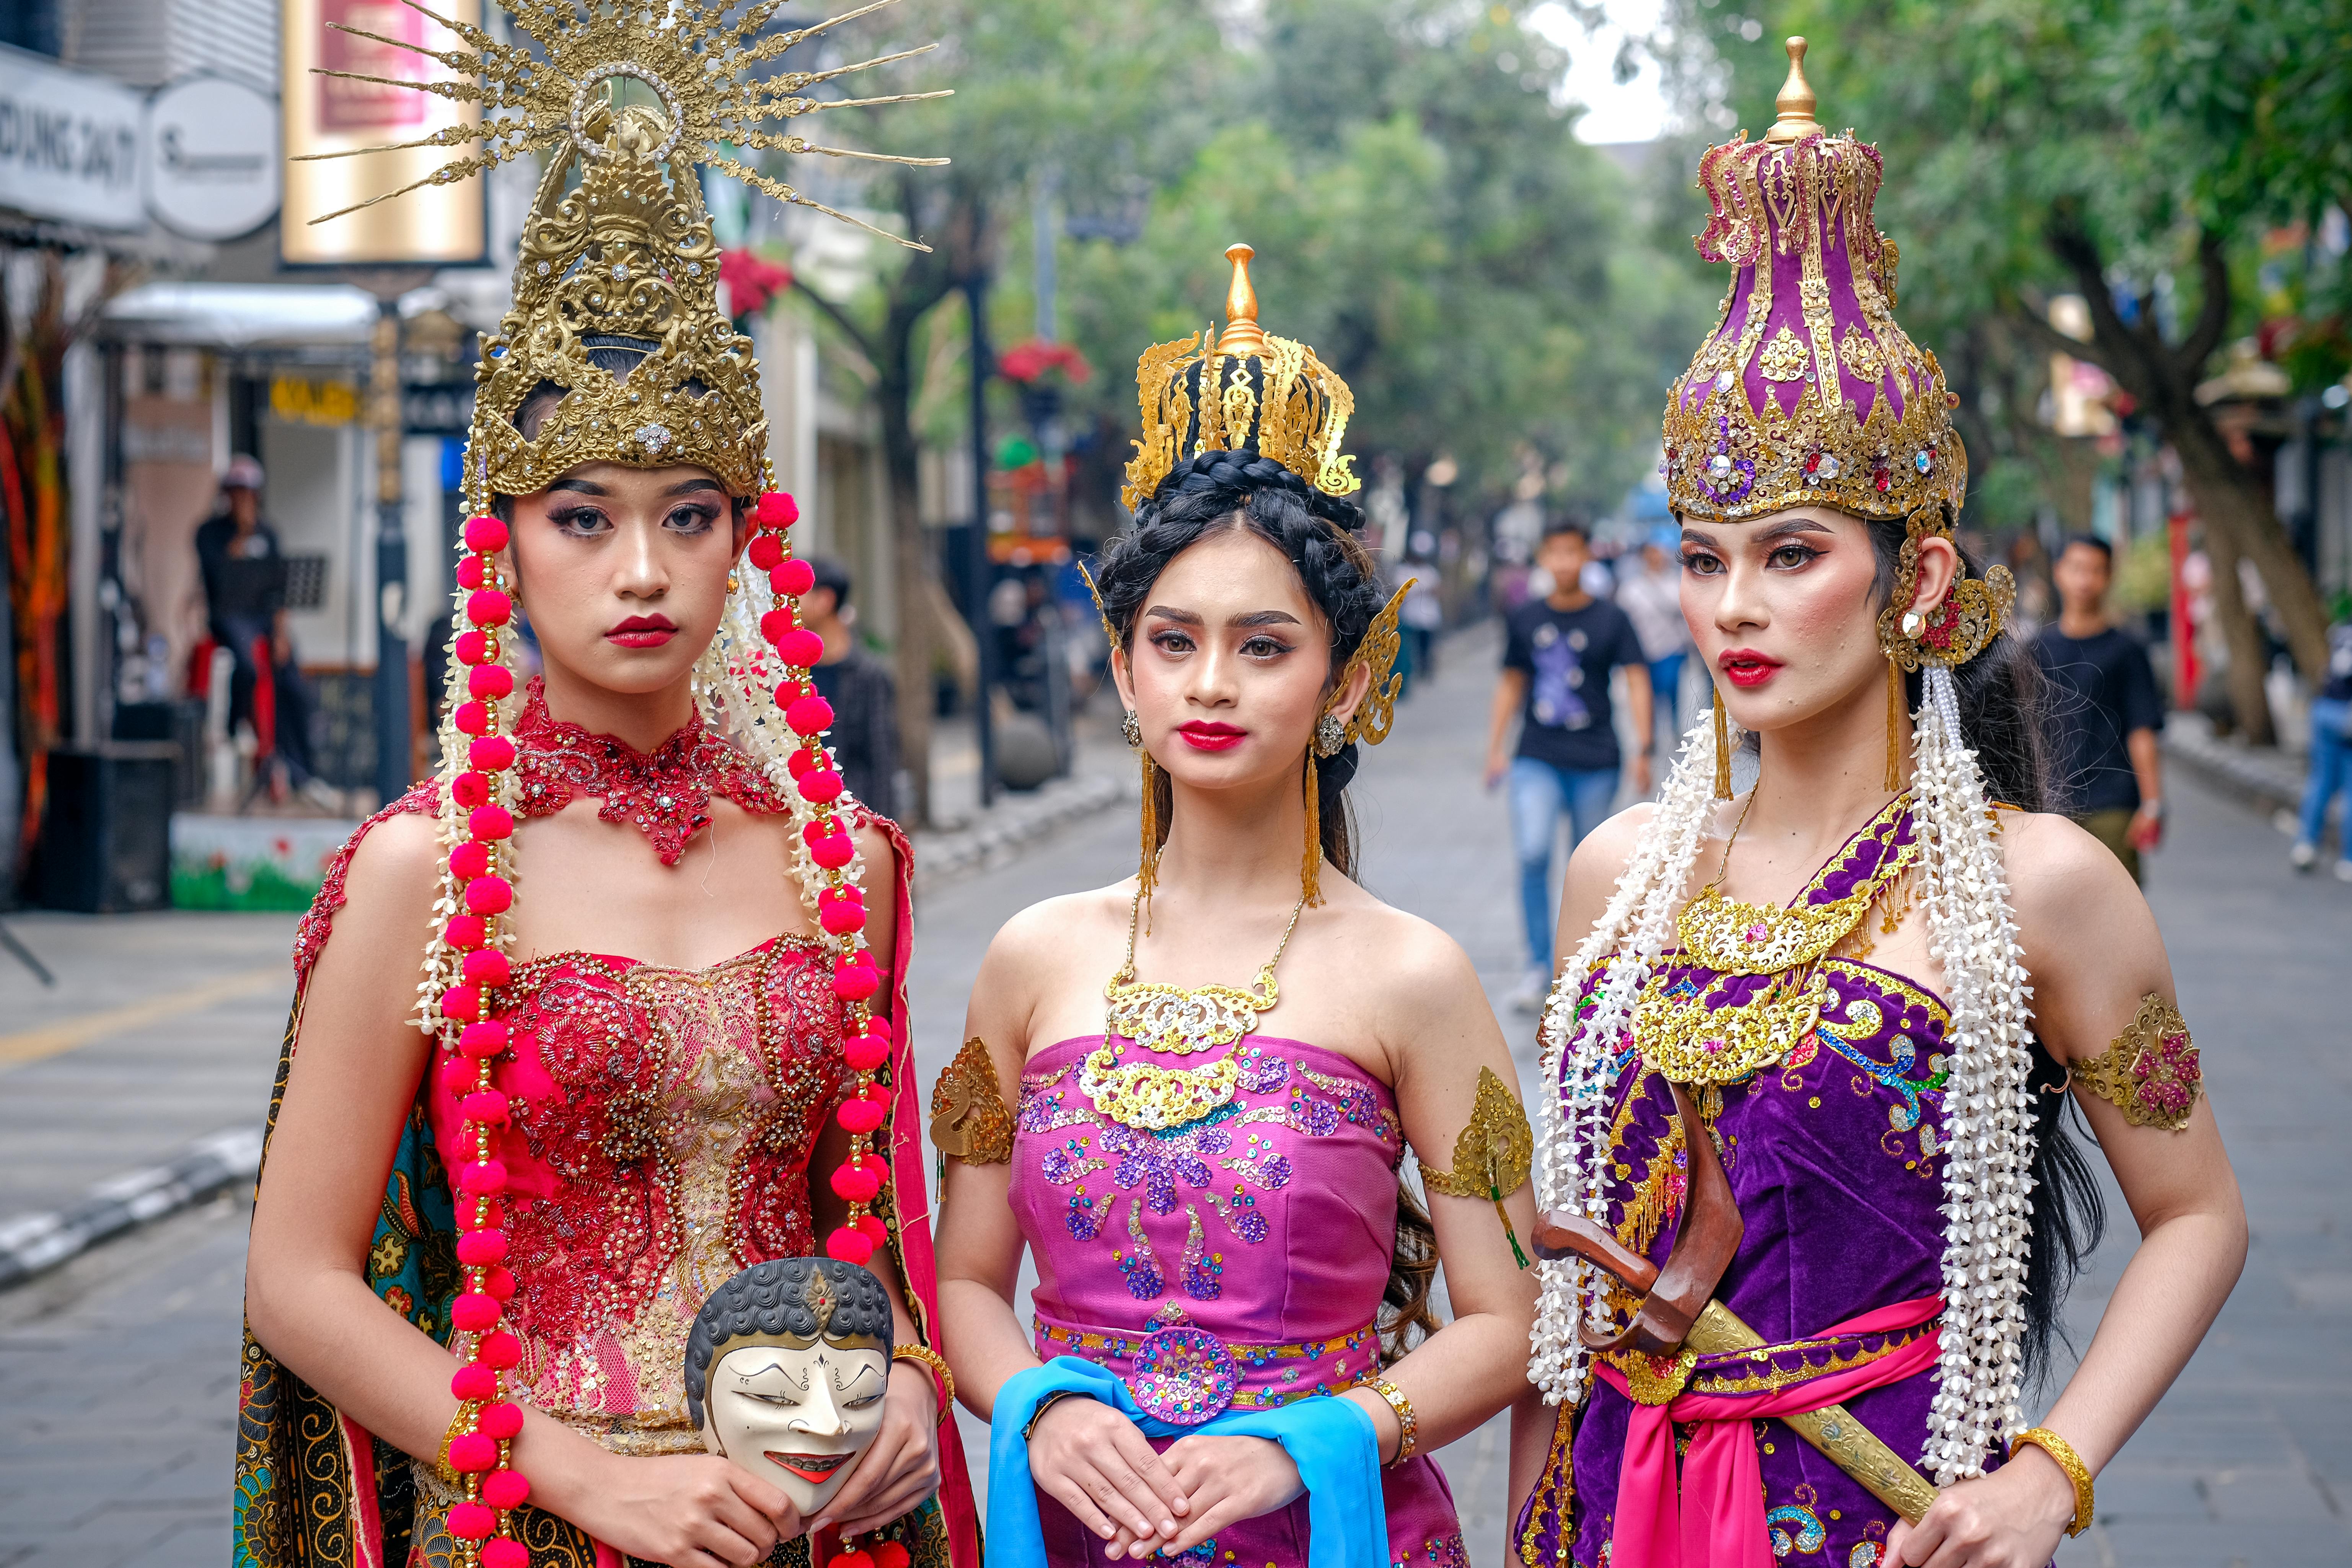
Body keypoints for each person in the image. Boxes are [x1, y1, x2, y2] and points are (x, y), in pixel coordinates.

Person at [235, 21, 977, 1568]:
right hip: (533, 1524)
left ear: (747, 537)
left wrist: (907, 1371)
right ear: (504, 538)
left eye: (687, 515)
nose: (641, 570)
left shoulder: (847, 860)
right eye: (585, 516)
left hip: (819, 1527)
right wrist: (583, 1475)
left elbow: (881, 1229)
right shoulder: (422, 870)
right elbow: (297, 1280)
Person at [1515, 42, 2245, 1568]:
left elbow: (2198, 1214)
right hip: (1614, 1497)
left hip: (1879, 1510)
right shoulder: (1617, 871)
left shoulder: (2038, 883)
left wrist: (2053, 1469)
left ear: (1913, 579)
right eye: (1704, 556)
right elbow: (1564, 1292)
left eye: (1790, 555)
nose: (1733, 605)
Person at [930, 246, 1540, 1568]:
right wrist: (1034, 1407)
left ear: (1341, 677)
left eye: (1262, 644)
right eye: (1173, 638)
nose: (1211, 682)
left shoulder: (1410, 975)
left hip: (1321, 1527)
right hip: (1079, 1525)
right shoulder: (1029, 958)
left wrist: (1311, 1439)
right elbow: (966, 1283)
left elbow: (1504, 1318)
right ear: (1123, 665)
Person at [1485, 518, 1654, 1011]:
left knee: (1592, 867)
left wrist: (1644, 747)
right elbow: (1512, 682)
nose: (1563, 562)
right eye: (1554, 553)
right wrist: (1495, 748)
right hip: (1536, 755)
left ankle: (1585, 970)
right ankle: (1540, 967)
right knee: (1534, 853)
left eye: (1572, 552)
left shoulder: (1612, 619)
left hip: (1597, 758)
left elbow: (1637, 678)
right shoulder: (1525, 616)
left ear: (1586, 557)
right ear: (1543, 559)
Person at [2033, 536, 2166, 882]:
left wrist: (2152, 804)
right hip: (2050, 807)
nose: (2084, 581)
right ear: (2058, 572)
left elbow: (2141, 730)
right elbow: (2024, 732)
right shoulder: (2035, 651)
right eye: (2076, 569)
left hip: (2112, 804)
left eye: (2095, 571)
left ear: (2108, 577)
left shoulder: (2127, 650)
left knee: (2117, 913)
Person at [194, 455, 319, 792]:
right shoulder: (209, 533)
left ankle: (303, 772)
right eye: (236, 492)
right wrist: (243, 532)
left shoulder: (270, 533)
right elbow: (217, 580)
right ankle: (236, 727)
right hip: (228, 618)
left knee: (295, 687)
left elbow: (279, 592)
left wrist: (280, 634)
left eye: (248, 492)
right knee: (248, 666)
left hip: (263, 619)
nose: (243, 499)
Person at [803, 556, 901, 819]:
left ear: (825, 600)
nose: (787, 605)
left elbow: (882, 761)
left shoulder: (869, 674)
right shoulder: (789, 671)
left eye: (797, 595)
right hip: (800, 814)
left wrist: (885, 833)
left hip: (853, 819)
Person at [1614, 524, 1694, 754]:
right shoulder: (1632, 589)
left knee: (1672, 693)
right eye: (1652, 552)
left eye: (1660, 552)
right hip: (1641, 653)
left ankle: (1676, 731)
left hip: (1672, 650)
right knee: (1646, 695)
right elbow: (1623, 622)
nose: (1656, 556)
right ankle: (1649, 736)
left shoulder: (1677, 583)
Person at [2290, 605, 2352, 878]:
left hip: (2324, 709)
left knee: (2321, 780)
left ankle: (2305, 844)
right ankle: (2348, 859)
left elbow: (2324, 672)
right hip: (2347, 715)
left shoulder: (2340, 631)